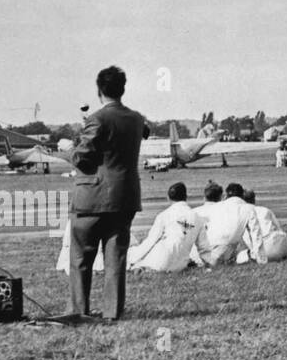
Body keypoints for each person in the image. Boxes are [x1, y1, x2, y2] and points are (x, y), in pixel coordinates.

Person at [67, 65, 149, 320]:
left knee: (81, 258)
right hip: (124, 197)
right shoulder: (136, 118)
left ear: (99, 90)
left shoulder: (97, 119)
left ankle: (80, 312)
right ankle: (112, 312)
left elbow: (82, 159)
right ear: (122, 89)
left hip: (91, 197)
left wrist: (70, 146)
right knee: (115, 259)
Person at [128, 182, 203, 272]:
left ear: (168, 198)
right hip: (180, 265)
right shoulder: (197, 217)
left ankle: (140, 266)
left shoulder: (164, 215)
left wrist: (134, 258)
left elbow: (151, 240)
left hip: (160, 261)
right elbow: (203, 246)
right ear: (186, 197)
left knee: (132, 253)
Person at [193, 182, 264, 265]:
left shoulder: (217, 206)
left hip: (202, 253)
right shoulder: (248, 208)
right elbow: (256, 235)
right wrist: (261, 259)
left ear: (226, 196)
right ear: (242, 196)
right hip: (222, 254)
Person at [241, 189, 287, 262]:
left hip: (266, 251)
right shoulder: (265, 210)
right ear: (254, 199)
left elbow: (250, 243)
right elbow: (279, 228)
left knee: (240, 256)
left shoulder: (243, 215)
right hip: (284, 245)